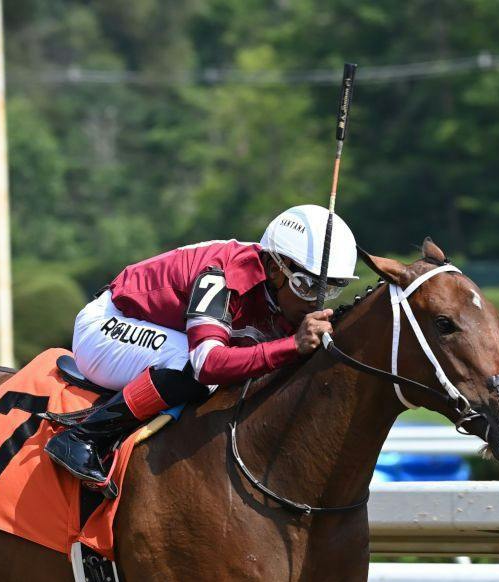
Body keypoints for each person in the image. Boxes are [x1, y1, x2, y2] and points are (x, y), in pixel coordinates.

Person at [45, 204, 358, 487]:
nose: (314, 300)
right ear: (276, 269)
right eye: (308, 286)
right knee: (192, 365)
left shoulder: (273, 284)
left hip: (156, 333)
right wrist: (292, 345)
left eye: (329, 289)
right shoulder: (221, 275)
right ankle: (83, 437)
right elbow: (208, 363)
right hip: (105, 328)